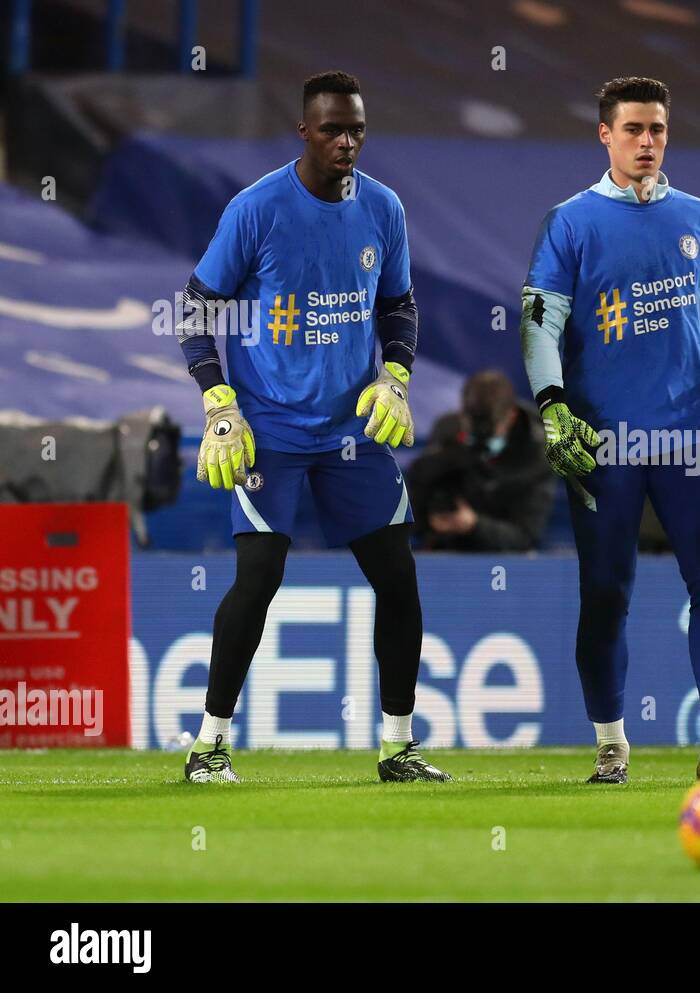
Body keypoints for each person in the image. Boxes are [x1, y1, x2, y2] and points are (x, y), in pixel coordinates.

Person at [175, 70, 451, 785]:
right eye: (332, 129)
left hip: (350, 431)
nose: (347, 142)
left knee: (398, 579)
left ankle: (397, 746)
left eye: (357, 128)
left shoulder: (384, 210)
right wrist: (219, 404)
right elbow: (197, 309)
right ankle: (208, 744)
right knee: (260, 574)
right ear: (304, 130)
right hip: (269, 428)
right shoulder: (257, 209)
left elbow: (399, 306)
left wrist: (396, 374)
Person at [519, 77, 700, 783]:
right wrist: (553, 405)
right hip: (605, 444)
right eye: (633, 130)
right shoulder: (570, 222)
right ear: (604, 135)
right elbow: (540, 323)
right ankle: (612, 745)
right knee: (606, 592)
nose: (647, 142)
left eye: (657, 130)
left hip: (688, 437)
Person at [409, 369, 554, 552]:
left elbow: (525, 536)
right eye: (473, 432)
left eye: (488, 434)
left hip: (508, 555)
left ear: (511, 417)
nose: (480, 443)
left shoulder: (538, 453)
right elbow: (421, 498)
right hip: (447, 547)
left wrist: (474, 524)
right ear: (462, 414)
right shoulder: (447, 432)